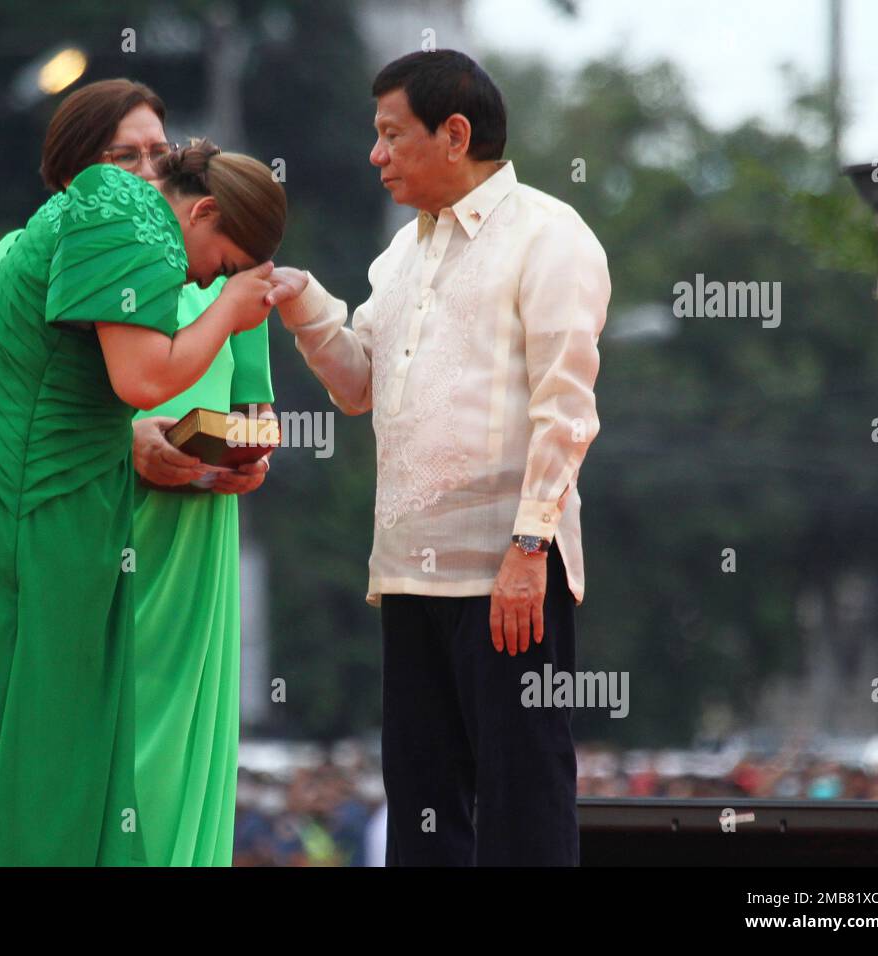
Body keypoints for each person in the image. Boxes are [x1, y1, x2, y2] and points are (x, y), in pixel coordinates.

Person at [0, 136, 286, 866]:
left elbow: (87, 381)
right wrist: (227, 310)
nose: (203, 280)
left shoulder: (116, 210)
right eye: (218, 262)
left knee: (46, 739)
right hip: (27, 503)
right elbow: (141, 378)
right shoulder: (130, 218)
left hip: (46, 493)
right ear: (207, 210)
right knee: (42, 743)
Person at [266, 50, 610, 865]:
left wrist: (529, 548)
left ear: (454, 135)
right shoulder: (401, 255)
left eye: (391, 135)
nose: (376, 155)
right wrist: (305, 301)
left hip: (509, 569)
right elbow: (360, 387)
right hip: (409, 572)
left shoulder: (549, 235)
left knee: (523, 791)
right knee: (422, 798)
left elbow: (567, 411)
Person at [0, 79, 276, 865]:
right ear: (76, 169)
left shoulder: (226, 263)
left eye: (158, 152)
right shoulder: (26, 253)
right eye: (123, 155)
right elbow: (25, 405)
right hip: (90, 515)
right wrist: (134, 438)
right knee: (84, 733)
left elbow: (258, 406)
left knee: (179, 758)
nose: (147, 169)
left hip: (196, 531)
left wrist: (242, 456)